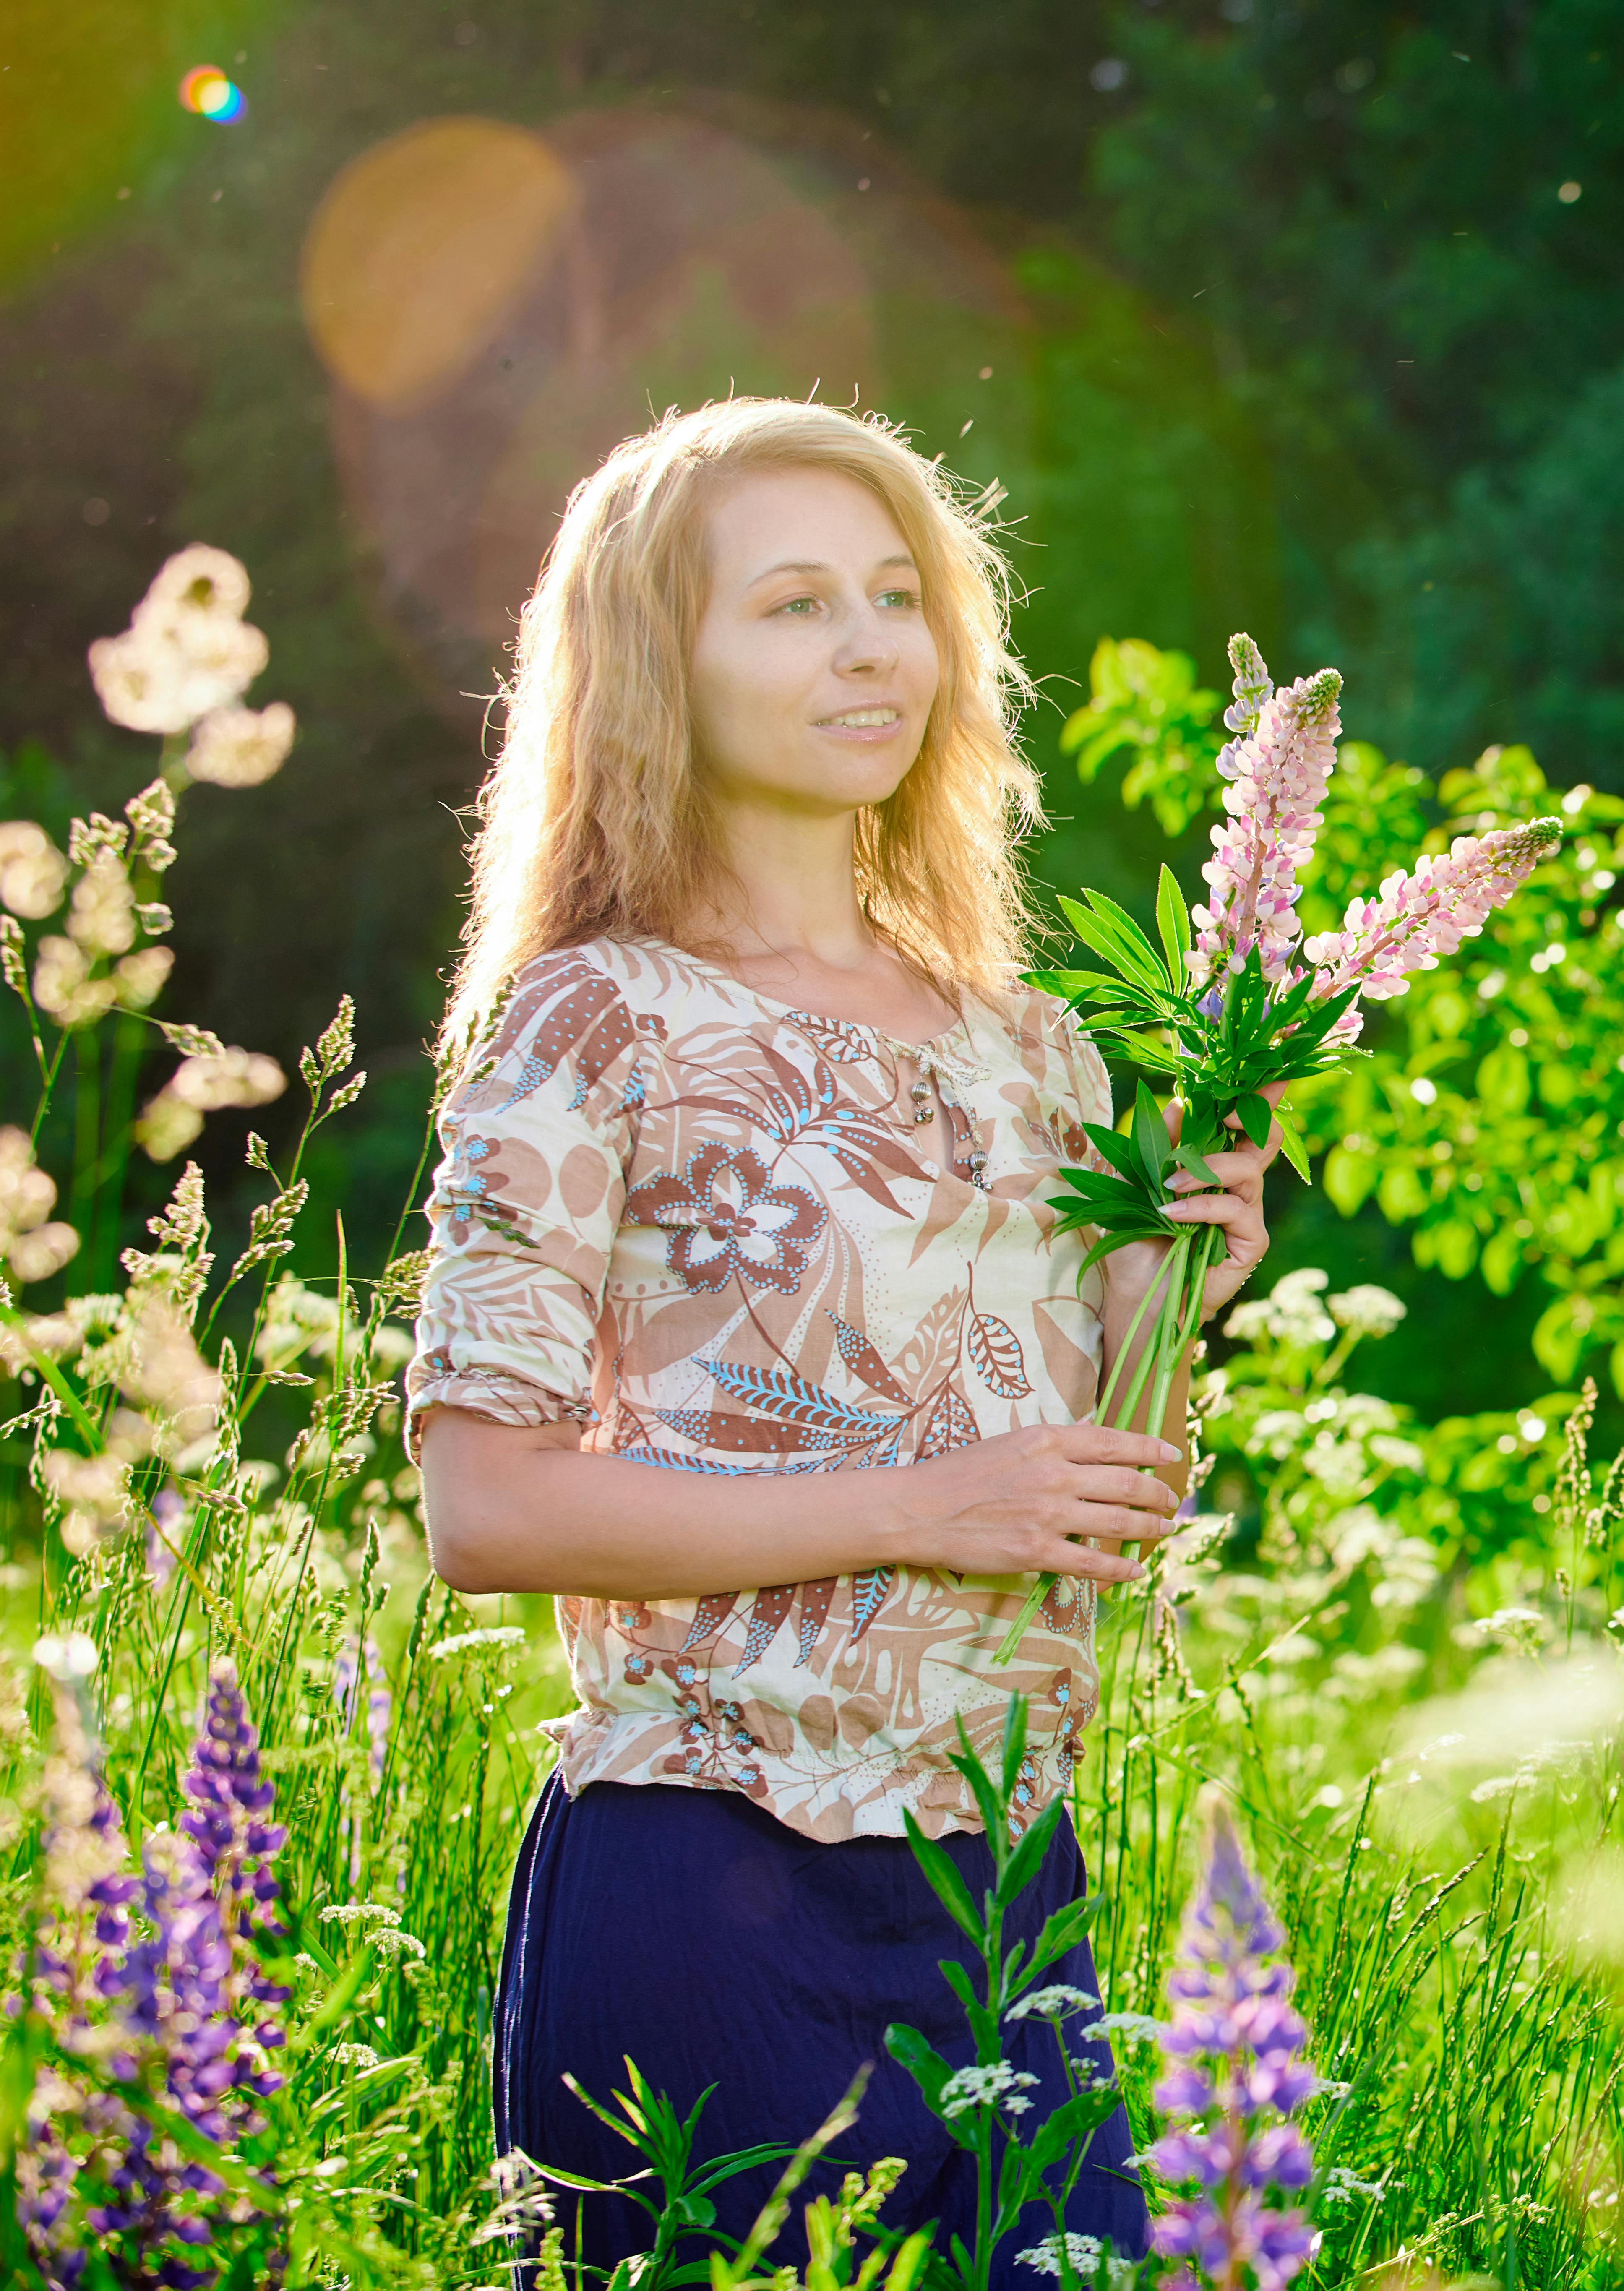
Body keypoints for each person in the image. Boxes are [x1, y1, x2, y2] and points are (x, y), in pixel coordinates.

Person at [406, 398, 1274, 2281]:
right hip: (706, 1885)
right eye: (793, 604)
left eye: (898, 596)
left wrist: (1165, 1303)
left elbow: (1081, 1513)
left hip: (1001, 1888)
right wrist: (929, 1501)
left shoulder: (1032, 1043)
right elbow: (486, 1507)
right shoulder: (592, 1026)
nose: (872, 643)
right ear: (659, 665)